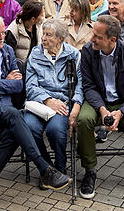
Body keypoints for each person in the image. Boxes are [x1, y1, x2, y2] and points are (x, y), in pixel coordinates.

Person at [0, 14, 69, 211]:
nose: (2, 37)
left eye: (3, 32)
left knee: (14, 133)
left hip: (4, 111)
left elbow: (19, 85)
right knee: (16, 116)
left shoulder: (8, 51)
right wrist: (5, 83)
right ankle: (44, 168)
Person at [76, 14, 124, 201]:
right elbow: (88, 86)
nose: (91, 39)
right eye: (93, 34)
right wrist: (102, 110)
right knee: (84, 120)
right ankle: (90, 170)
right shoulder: (88, 51)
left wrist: (121, 112)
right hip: (98, 101)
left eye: (97, 36)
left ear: (112, 40)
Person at [23, 17, 82, 174]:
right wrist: (47, 100)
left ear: (60, 39)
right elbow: (30, 86)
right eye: (43, 34)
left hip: (63, 103)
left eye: (48, 35)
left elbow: (80, 85)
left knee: (55, 130)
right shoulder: (35, 55)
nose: (43, 38)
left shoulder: (73, 55)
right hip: (39, 103)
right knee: (29, 127)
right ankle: (47, 168)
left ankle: (60, 166)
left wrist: (76, 105)